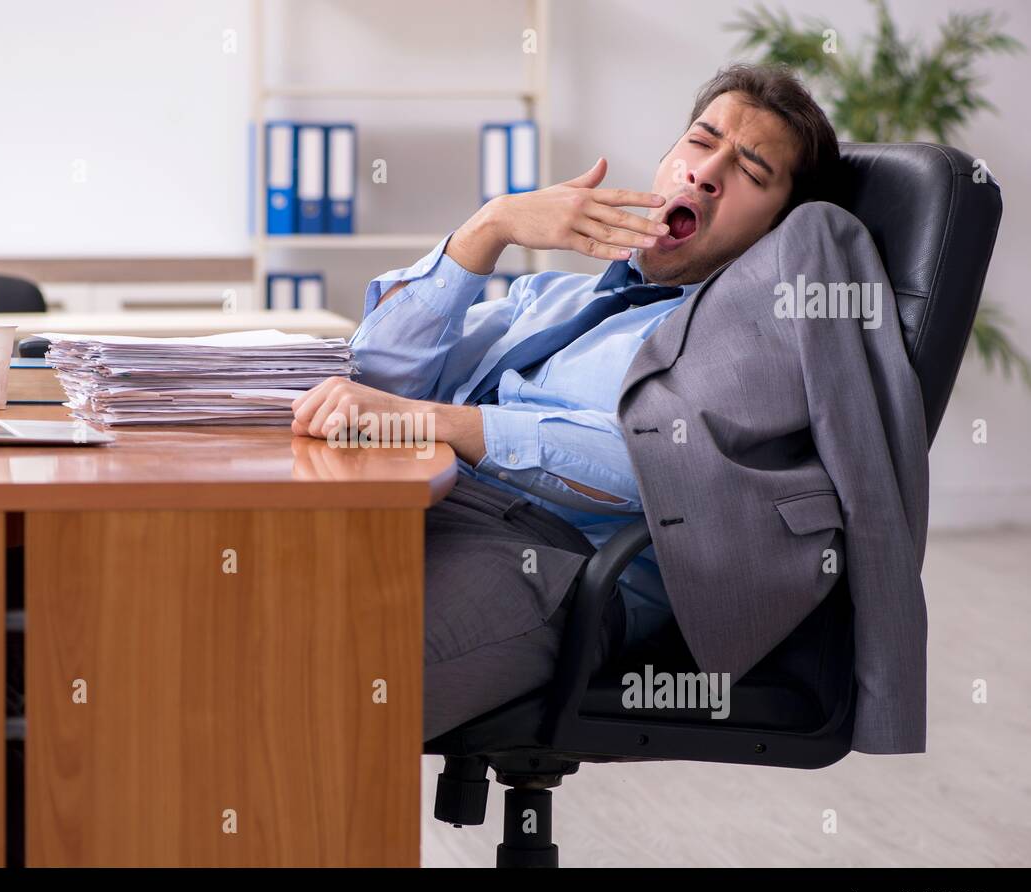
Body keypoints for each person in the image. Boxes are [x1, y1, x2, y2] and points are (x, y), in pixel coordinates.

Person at [291, 63, 842, 741]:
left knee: (323, 693)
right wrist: (488, 229)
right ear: (668, 158)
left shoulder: (750, 340)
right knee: (214, 610)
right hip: (422, 503)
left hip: (552, 561)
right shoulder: (554, 297)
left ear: (776, 231)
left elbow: (659, 467)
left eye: (751, 171)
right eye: (701, 143)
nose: (706, 173)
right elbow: (378, 372)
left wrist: (435, 422)